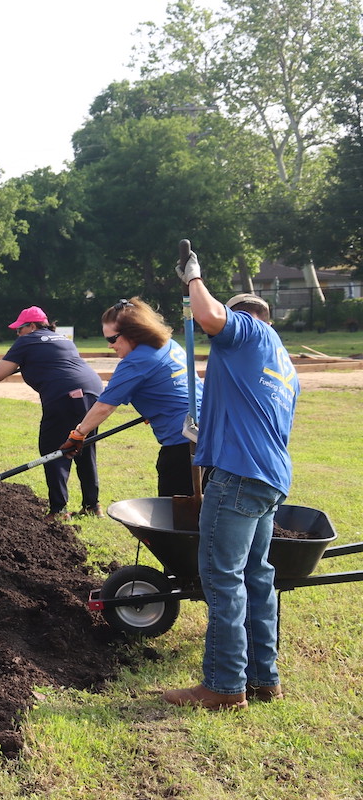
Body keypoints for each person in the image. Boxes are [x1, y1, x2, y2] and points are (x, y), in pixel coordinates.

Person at [162, 251, 299, 712]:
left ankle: (223, 687)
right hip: (269, 477)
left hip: (238, 477)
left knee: (222, 579)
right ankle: (264, 679)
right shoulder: (284, 367)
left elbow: (210, 315)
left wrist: (194, 277)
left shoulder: (249, 331)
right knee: (258, 577)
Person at [0, 305, 104, 520]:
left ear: (33, 326)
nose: (17, 333)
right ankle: (92, 506)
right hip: (93, 393)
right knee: (83, 445)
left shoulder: (26, 341)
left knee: (53, 450)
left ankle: (59, 511)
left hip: (64, 396)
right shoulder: (63, 339)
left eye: (20, 328)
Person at [62, 298, 204, 497]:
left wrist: (78, 435)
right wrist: (155, 409)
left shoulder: (137, 361)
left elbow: (104, 406)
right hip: (211, 435)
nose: (110, 346)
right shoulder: (169, 345)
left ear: (133, 332)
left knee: (176, 515)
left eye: (112, 339)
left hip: (184, 445)